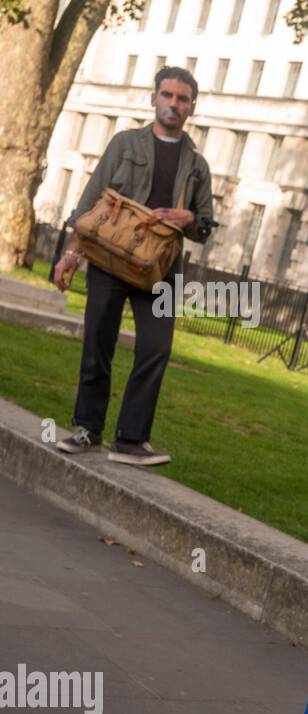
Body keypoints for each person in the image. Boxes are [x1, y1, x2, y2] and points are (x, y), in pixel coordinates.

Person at [53, 66, 213, 467]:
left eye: (182, 98)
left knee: (156, 348)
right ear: (153, 98)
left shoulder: (198, 165)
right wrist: (72, 253)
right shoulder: (124, 144)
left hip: (161, 270)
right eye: (167, 95)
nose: (173, 103)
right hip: (110, 259)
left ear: (192, 107)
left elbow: (205, 225)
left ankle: (130, 441)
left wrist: (188, 219)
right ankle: (87, 429)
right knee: (97, 345)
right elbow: (92, 198)